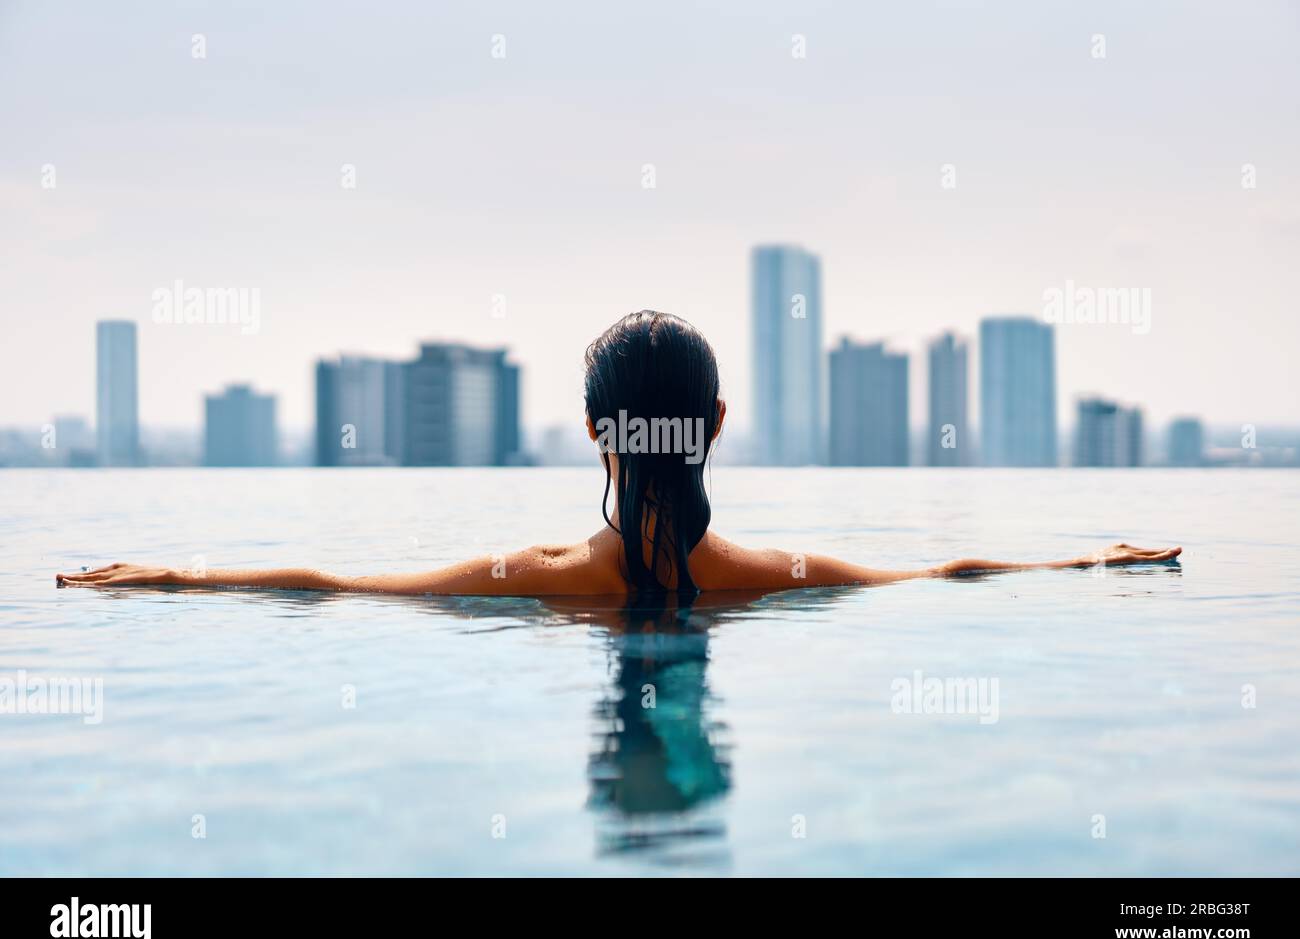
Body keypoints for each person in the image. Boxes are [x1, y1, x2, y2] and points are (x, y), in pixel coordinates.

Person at [56, 310, 1181, 596]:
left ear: (594, 429)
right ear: (717, 425)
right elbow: (945, 574)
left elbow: (331, 584)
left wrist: (176, 574)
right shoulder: (763, 581)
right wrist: (1090, 563)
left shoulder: (540, 585)